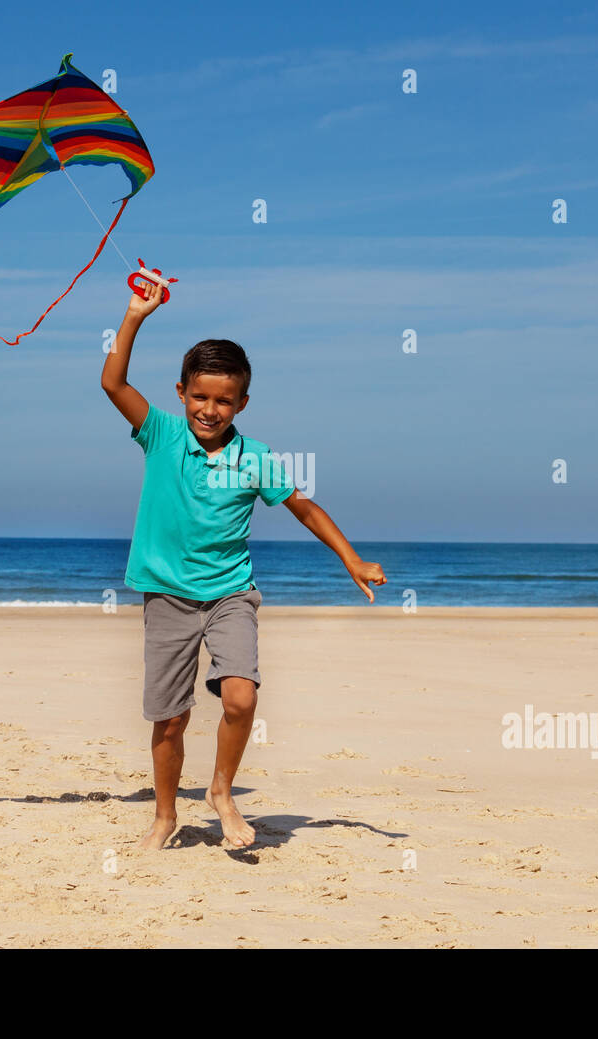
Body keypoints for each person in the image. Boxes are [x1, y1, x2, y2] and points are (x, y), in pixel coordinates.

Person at [101, 279, 387, 850]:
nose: (210, 409)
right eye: (200, 397)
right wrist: (135, 315)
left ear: (243, 403)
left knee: (241, 697)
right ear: (181, 392)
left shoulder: (253, 457)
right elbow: (112, 381)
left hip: (231, 593)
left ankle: (221, 792)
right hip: (166, 594)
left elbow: (303, 507)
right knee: (170, 718)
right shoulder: (160, 434)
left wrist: (351, 558)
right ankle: (164, 816)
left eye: (224, 400)